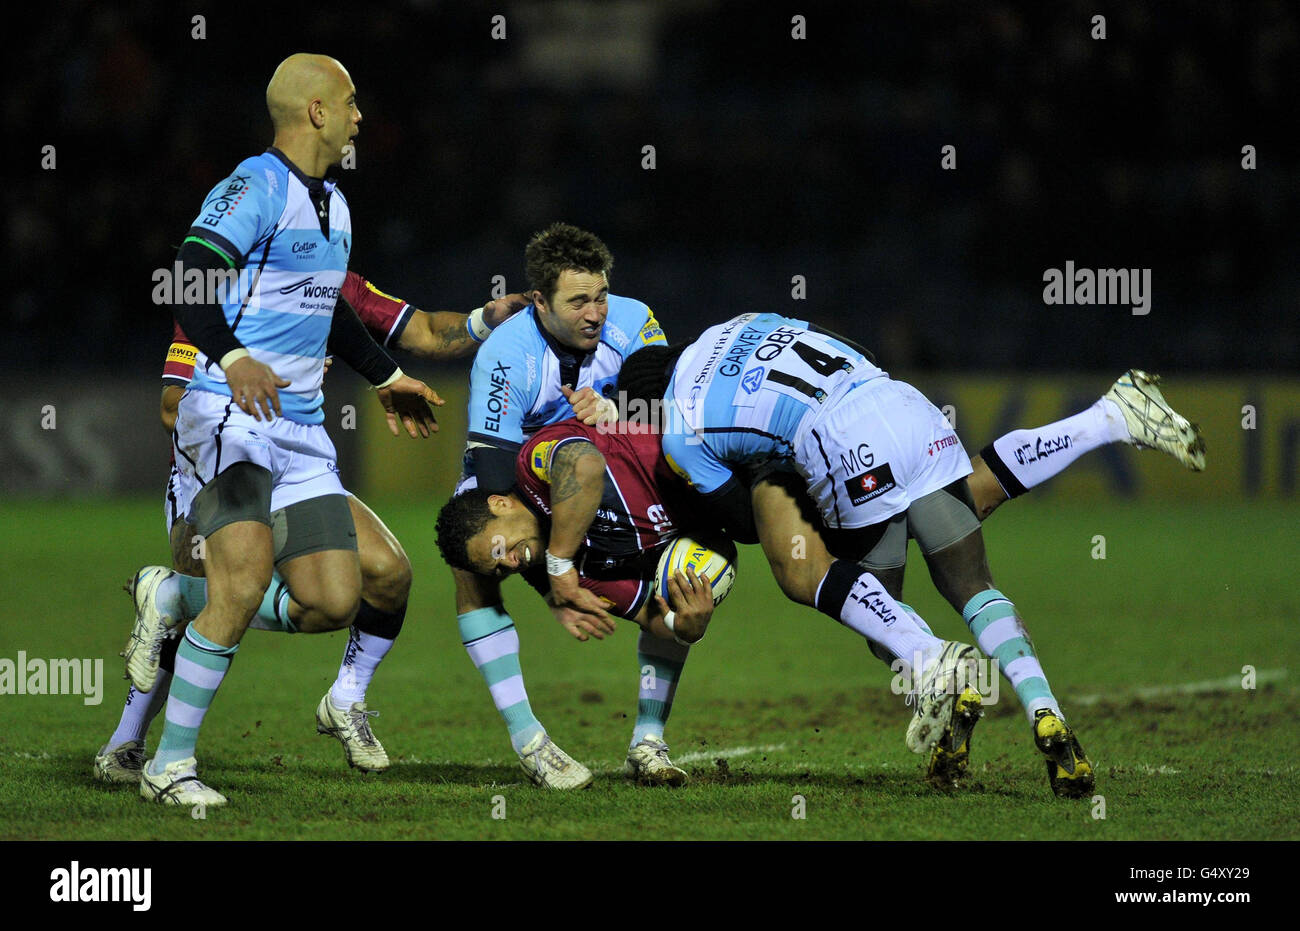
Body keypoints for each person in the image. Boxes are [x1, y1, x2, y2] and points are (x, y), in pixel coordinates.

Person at [613, 314, 1204, 797]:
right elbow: (849, 341)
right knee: (970, 576)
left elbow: (744, 523)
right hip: (899, 401)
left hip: (840, 443)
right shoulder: (736, 324)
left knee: (853, 601)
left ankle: (937, 670)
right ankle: (1106, 420)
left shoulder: (678, 429)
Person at [124, 54, 442, 807]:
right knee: (239, 578)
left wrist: (387, 376)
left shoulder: (333, 202)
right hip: (228, 414)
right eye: (352, 102)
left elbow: (327, 306)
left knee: (333, 600)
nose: (362, 116)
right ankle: (169, 765)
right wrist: (231, 356)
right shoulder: (254, 185)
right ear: (318, 112)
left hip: (298, 429)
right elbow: (189, 273)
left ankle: (171, 597)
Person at [94, 271, 527, 784]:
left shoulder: (334, 284)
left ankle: (345, 698)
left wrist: (486, 319)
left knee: (385, 572)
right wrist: (246, 399)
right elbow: (172, 409)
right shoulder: (225, 293)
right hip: (221, 463)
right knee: (222, 602)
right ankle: (127, 740)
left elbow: (428, 332)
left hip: (297, 464)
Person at [436, 418, 986, 783]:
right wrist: (687, 625)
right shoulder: (585, 573)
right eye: (499, 568)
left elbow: (582, 466)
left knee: (820, 567)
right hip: (720, 522)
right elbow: (654, 619)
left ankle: (931, 655)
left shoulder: (537, 465)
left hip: (746, 458)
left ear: (502, 502)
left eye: (502, 547)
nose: (513, 563)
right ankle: (933, 665)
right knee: (839, 576)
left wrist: (557, 564)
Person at [451, 222, 698, 789]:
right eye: (579, 300)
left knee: (678, 591)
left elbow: (677, 413)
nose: (597, 313)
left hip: (621, 472)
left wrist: (619, 412)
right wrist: (550, 580)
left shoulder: (636, 322)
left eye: (602, 295)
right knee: (474, 553)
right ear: (539, 301)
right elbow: (493, 473)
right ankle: (529, 740)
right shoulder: (506, 355)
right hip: (526, 477)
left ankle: (649, 742)